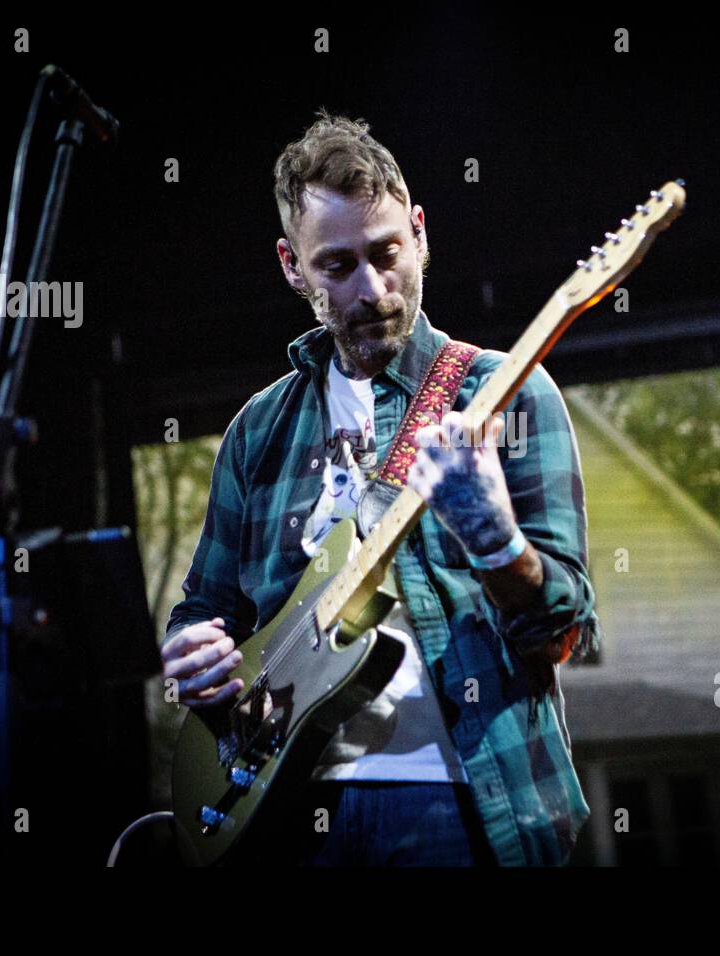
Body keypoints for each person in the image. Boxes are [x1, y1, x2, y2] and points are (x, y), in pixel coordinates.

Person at [160, 109, 601, 866]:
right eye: (336, 266)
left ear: (420, 232)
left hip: (459, 798)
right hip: (282, 809)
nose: (371, 289)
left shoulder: (505, 393)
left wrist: (499, 546)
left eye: (386, 253)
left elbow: (569, 630)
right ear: (291, 266)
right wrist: (191, 659)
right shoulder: (257, 431)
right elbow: (205, 612)